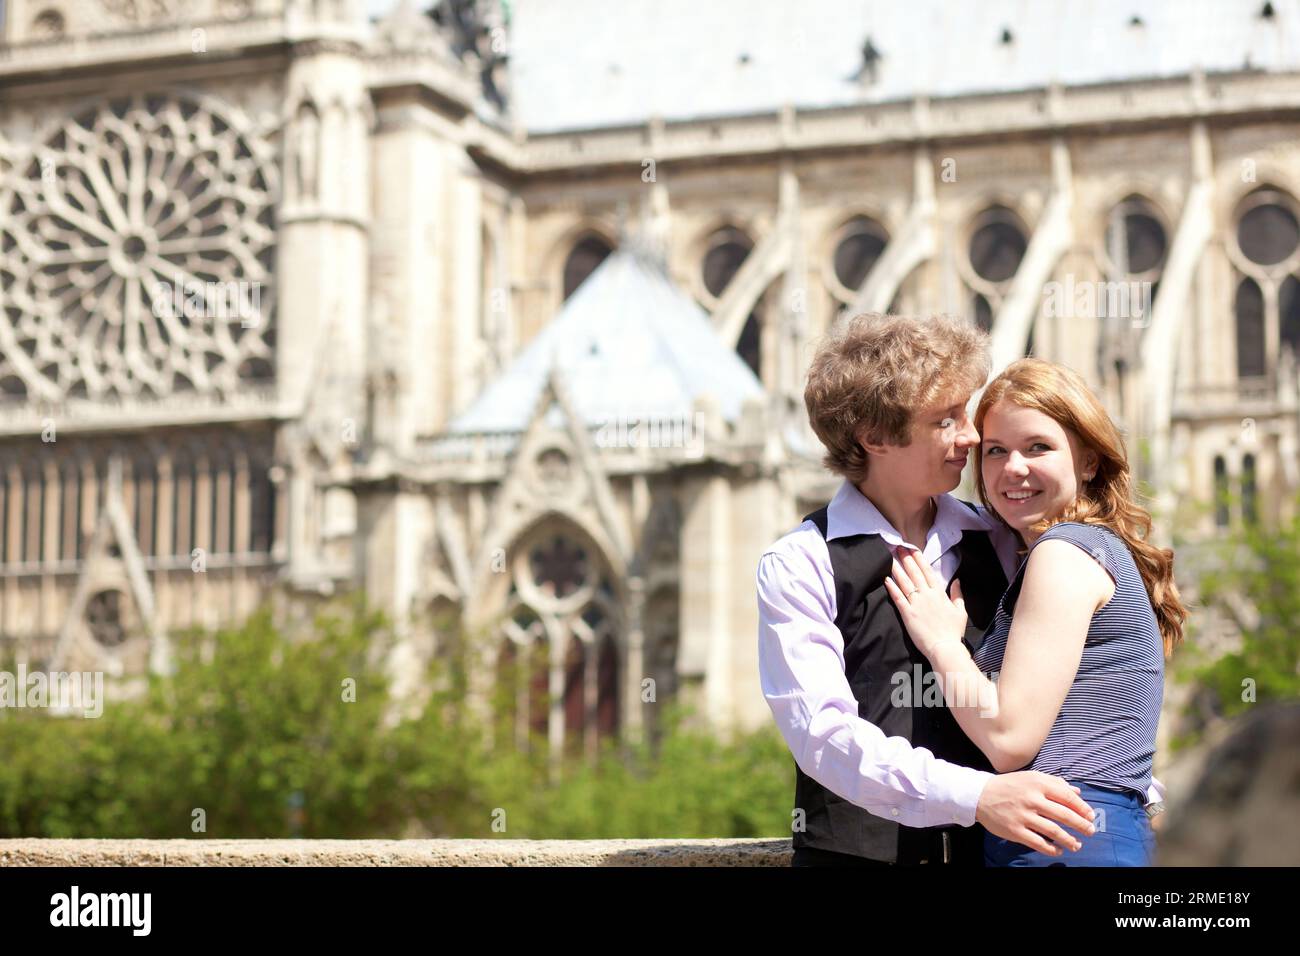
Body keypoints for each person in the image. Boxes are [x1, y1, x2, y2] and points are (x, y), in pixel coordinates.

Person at [758, 314, 1102, 867]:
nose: (971, 435)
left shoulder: (1002, 540)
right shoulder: (800, 562)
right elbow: (822, 737)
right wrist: (975, 796)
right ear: (874, 437)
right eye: (947, 419)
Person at [886, 357, 1186, 866]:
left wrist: (942, 644)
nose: (1013, 469)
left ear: (1089, 461)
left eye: (1038, 448)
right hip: (1089, 833)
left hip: (1058, 839)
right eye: (996, 451)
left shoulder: (1063, 554)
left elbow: (1009, 737)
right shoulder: (1099, 549)